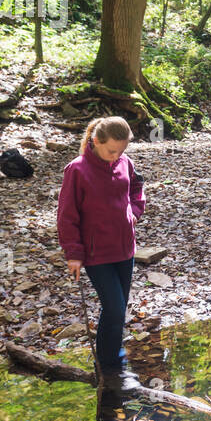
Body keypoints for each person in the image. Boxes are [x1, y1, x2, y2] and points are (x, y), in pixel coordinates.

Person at [56, 116, 146, 393]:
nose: (116, 156)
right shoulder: (77, 170)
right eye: (111, 151)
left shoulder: (124, 163)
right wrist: (73, 254)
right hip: (96, 254)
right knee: (115, 308)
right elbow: (66, 215)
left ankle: (107, 364)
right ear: (96, 142)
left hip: (124, 248)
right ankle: (112, 367)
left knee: (117, 308)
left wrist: (134, 212)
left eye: (121, 150)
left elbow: (136, 187)